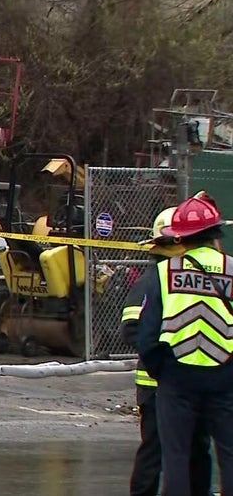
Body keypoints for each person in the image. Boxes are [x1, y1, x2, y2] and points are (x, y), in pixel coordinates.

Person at [137, 192, 233, 496]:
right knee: (229, 456)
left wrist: (162, 372)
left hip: (177, 378)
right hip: (225, 377)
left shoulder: (164, 273)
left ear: (181, 237)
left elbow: (147, 336)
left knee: (176, 457)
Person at [122, 206, 212, 496]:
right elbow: (131, 329)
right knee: (159, 451)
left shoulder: (181, 277)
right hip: (161, 385)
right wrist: (162, 364)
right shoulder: (155, 279)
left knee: (195, 449)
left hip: (187, 383)